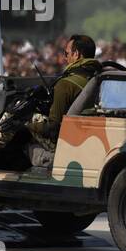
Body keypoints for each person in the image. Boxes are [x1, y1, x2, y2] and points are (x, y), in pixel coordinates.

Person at [27, 34, 102, 164]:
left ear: (76, 54)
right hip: (92, 139)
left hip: (69, 142)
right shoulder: (100, 79)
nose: (65, 57)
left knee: (25, 119)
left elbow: (52, 127)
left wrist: (26, 125)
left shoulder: (65, 84)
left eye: (66, 53)